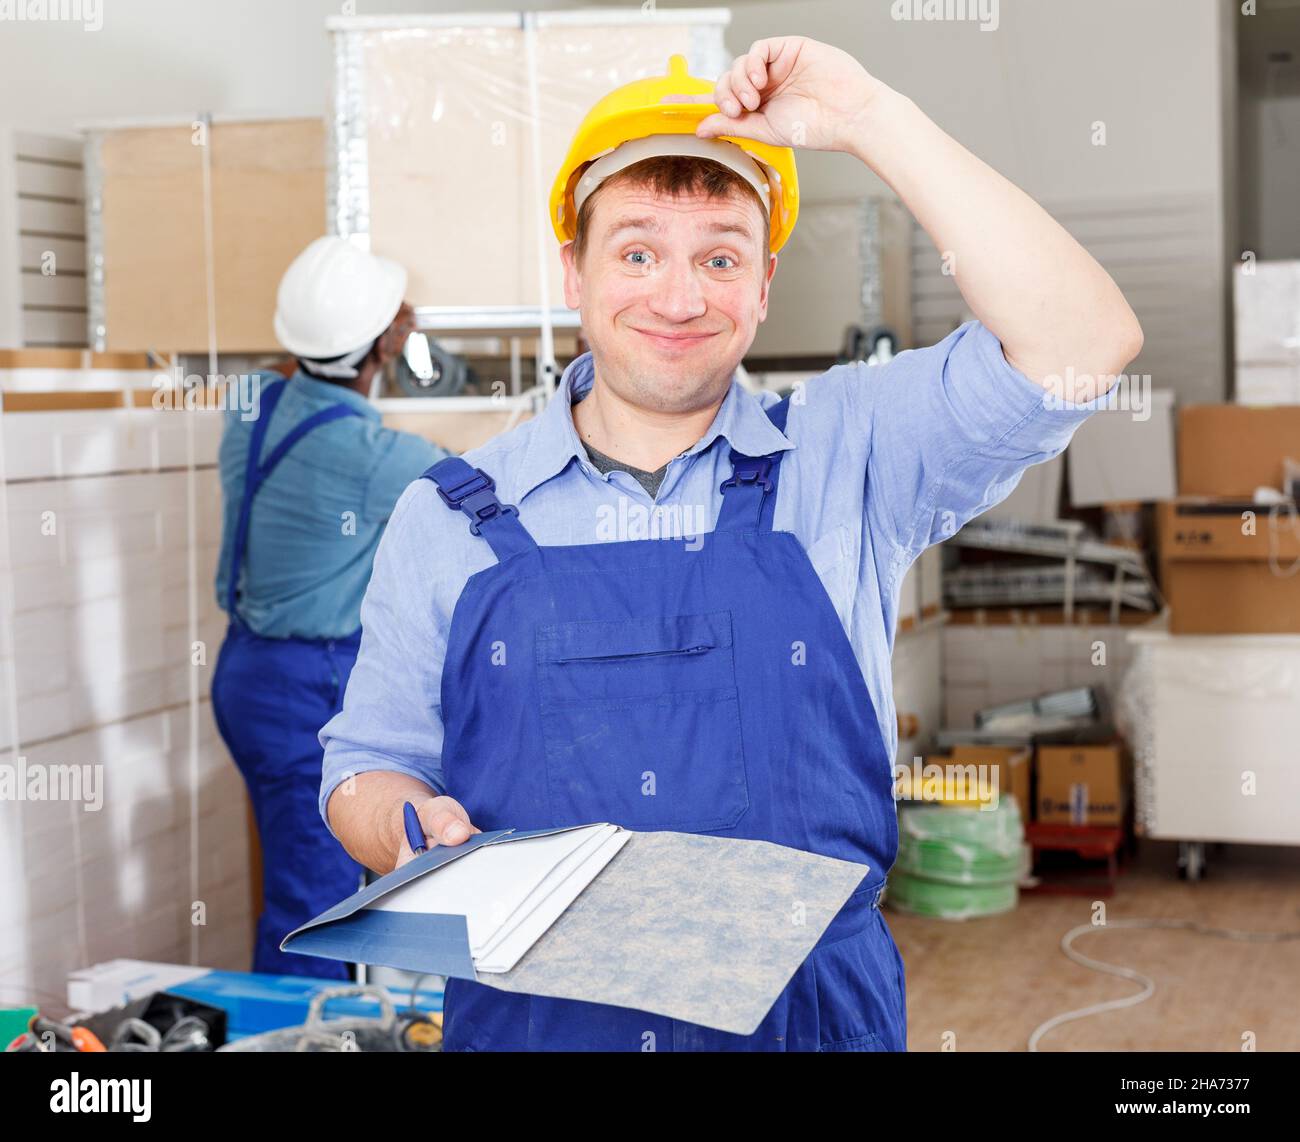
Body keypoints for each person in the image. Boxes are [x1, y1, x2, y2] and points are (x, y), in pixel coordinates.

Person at [319, 40, 1143, 1047]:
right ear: (574, 271)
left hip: (805, 1019)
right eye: (635, 251)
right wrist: (408, 823)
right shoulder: (448, 515)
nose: (676, 298)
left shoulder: (848, 453)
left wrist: (866, 116)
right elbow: (366, 762)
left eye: (719, 255)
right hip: (539, 1020)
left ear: (762, 284)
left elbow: (1081, 340)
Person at [211, 237, 452, 978]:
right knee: (312, 902)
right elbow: (476, 486)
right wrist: (410, 365)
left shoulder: (249, 404)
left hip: (247, 672)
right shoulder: (376, 457)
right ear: (384, 342)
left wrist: (379, 350)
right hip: (305, 688)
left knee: (302, 880)